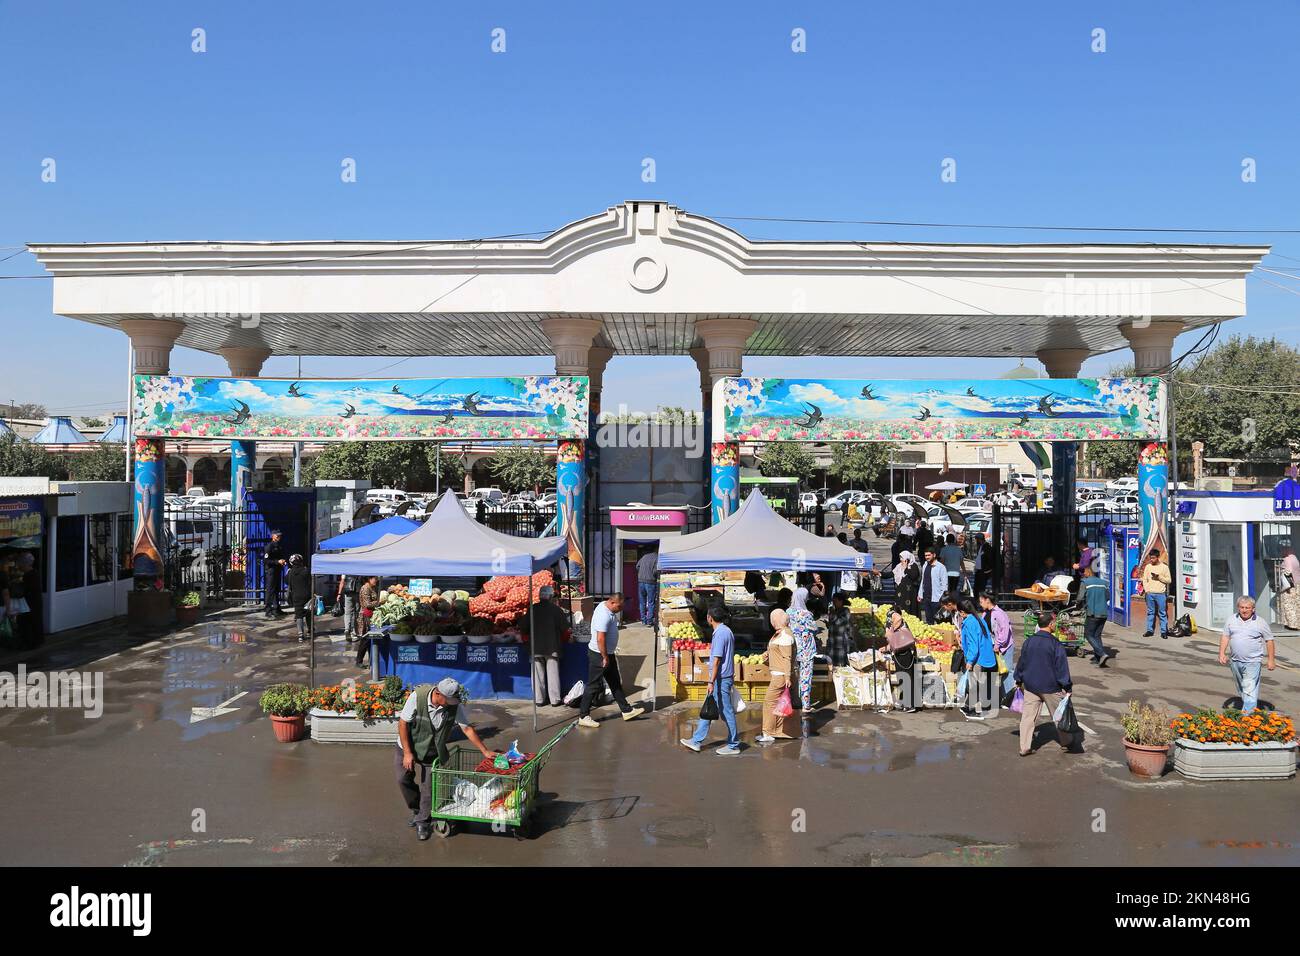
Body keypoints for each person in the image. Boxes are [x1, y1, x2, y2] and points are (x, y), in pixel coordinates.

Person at [396, 677, 498, 840]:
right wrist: (408, 753)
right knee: (403, 780)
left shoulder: (453, 706)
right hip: (408, 746)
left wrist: (484, 751)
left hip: (432, 749)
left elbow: (467, 729)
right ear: (438, 694)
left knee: (428, 787)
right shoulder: (418, 697)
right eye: (450, 700)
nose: (452, 703)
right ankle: (417, 809)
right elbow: (402, 724)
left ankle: (423, 820)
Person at [680, 606, 741, 755]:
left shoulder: (720, 634)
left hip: (721, 678)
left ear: (710, 618)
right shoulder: (726, 631)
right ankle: (696, 740)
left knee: (726, 711)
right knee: (709, 708)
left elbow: (716, 661)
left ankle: (733, 744)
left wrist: (710, 682)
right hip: (722, 677)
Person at [1012, 609, 1073, 756]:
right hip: (1051, 687)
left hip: (1031, 685)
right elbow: (1061, 667)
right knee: (1059, 716)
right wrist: (1067, 686)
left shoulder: (1029, 641)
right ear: (1050, 624)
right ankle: (1066, 742)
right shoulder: (1055, 643)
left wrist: (1018, 678)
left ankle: (1025, 747)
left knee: (1027, 717)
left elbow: (1022, 662)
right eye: (1054, 623)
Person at [578, 594, 645, 727]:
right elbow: (600, 638)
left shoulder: (606, 606)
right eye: (619, 607)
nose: (620, 609)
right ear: (612, 602)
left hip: (607, 653)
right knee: (593, 685)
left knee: (614, 682)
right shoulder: (604, 615)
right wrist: (604, 657)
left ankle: (627, 710)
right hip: (599, 654)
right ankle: (583, 716)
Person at [1218, 596, 1275, 714]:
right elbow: (1225, 636)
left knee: (1249, 689)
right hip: (1235, 661)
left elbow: (1269, 640)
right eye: (1242, 607)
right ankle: (1250, 710)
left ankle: (1247, 719)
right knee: (1242, 689)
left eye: (1247, 608)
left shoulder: (1260, 622)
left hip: (1252, 662)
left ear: (1253, 609)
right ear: (1238, 608)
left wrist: (1271, 660)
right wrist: (1221, 653)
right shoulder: (1231, 619)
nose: (1244, 610)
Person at [758, 608, 799, 742]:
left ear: (776, 620)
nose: (771, 622)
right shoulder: (780, 634)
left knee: (769, 702)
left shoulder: (786, 635)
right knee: (780, 704)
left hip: (781, 676)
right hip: (780, 675)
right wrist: (767, 655)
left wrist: (787, 677)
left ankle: (768, 732)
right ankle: (780, 731)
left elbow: (787, 658)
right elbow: (777, 652)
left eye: (772, 619)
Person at [957, 597, 998, 719]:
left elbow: (973, 645)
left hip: (977, 659)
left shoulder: (969, 622)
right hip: (984, 656)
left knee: (974, 684)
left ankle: (972, 710)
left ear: (962, 612)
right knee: (977, 683)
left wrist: (970, 661)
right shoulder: (978, 618)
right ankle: (969, 706)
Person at [529, 586, 569, 707]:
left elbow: (523, 627)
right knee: (553, 674)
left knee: (537, 674)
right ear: (551, 596)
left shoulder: (532, 609)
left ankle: (539, 700)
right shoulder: (556, 610)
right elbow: (565, 628)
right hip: (552, 647)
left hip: (535, 647)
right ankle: (555, 700)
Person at [980, 591, 1016, 695]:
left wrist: (998, 645)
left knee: (1006, 671)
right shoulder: (985, 613)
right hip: (992, 646)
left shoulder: (999, 613)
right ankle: (994, 695)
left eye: (981, 601)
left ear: (988, 601)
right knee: (992, 670)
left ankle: (1009, 697)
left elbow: (1004, 631)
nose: (980, 604)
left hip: (1004, 647)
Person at [884, 606, 919, 712]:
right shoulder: (894, 619)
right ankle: (905, 703)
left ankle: (910, 705)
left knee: (906, 677)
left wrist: (892, 630)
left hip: (904, 652)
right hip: (902, 652)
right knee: (904, 677)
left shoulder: (891, 615)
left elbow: (898, 618)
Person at [1079, 566, 1111, 666]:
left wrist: (1078, 605)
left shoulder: (1085, 582)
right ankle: (1098, 659)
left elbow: (1080, 597)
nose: (1083, 574)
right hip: (1104, 613)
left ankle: (1102, 654)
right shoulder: (1104, 582)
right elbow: (1107, 597)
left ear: (1088, 572)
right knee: (1097, 635)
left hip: (1092, 613)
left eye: (1084, 572)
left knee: (1088, 634)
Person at [790, 606, 819, 713]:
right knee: (805, 677)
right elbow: (815, 628)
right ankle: (805, 705)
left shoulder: (788, 612)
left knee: (794, 675)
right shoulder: (807, 614)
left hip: (794, 648)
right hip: (806, 650)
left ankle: (794, 702)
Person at [1140, 549, 1172, 638]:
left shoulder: (1164, 567)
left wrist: (1159, 577)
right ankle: (1149, 630)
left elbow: (1169, 580)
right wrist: (1147, 590)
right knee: (1150, 612)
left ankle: (1164, 632)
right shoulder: (1148, 567)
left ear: (1158, 557)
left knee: (1162, 613)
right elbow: (1144, 579)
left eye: (1153, 558)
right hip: (1150, 593)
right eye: (1150, 558)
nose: (1151, 560)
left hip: (1160, 594)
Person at [285, 554, 313, 643]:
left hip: (296, 596)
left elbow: (286, 582)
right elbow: (310, 581)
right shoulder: (306, 570)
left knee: (299, 615)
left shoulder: (289, 572)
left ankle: (300, 634)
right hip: (307, 595)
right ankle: (310, 630)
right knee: (308, 612)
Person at [824, 591, 854, 666]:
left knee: (840, 664)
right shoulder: (833, 610)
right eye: (833, 601)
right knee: (830, 664)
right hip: (832, 641)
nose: (834, 603)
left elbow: (839, 622)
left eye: (835, 601)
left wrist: (832, 613)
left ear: (841, 601)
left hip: (841, 642)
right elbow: (831, 624)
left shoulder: (846, 611)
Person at [919, 548, 948, 624]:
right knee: (929, 620)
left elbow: (944, 585)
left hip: (937, 598)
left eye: (929, 555)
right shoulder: (925, 565)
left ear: (934, 555)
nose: (927, 557)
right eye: (925, 555)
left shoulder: (941, 567)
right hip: (926, 598)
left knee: (939, 620)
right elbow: (923, 580)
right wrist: (920, 594)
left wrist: (942, 599)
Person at [356, 575, 380, 668]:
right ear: (369, 579)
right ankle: (359, 661)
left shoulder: (373, 587)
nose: (376, 581)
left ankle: (371, 661)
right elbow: (367, 604)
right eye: (375, 579)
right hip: (365, 616)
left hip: (372, 616)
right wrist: (379, 602)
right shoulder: (365, 588)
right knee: (365, 639)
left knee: (370, 638)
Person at [263, 530, 287, 617]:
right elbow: (266, 560)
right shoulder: (269, 546)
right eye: (277, 536)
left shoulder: (279, 545)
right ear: (273, 536)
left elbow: (281, 556)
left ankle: (277, 608)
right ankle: (268, 610)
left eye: (280, 536)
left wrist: (283, 561)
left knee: (277, 589)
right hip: (271, 571)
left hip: (277, 570)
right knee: (270, 590)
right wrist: (277, 561)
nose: (279, 538)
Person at [635, 546, 659, 629]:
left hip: (641, 581)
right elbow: (655, 571)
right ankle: (649, 621)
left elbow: (637, 566)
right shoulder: (657, 557)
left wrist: (641, 573)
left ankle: (643, 620)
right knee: (651, 602)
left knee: (642, 602)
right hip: (651, 582)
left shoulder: (644, 557)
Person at [1277, 547, 1300, 631]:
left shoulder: (1287, 559)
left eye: (1282, 550)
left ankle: (1292, 625)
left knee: (1288, 605)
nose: (1281, 552)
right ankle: (1297, 624)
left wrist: (1281, 570)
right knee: (1296, 605)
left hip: (1289, 587)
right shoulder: (1294, 558)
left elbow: (1288, 571)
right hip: (1297, 585)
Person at [894, 551, 920, 616]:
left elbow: (914, 576)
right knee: (900, 609)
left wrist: (906, 568)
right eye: (900, 558)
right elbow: (891, 574)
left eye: (902, 558)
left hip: (910, 594)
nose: (901, 560)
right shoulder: (898, 566)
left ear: (907, 558)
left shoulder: (913, 566)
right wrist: (879, 573)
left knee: (909, 610)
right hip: (900, 594)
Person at [336, 573, 360, 641]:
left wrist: (339, 594)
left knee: (348, 612)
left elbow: (342, 582)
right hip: (357, 592)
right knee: (356, 612)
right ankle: (354, 632)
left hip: (348, 592)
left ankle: (347, 629)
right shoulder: (359, 567)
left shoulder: (346, 568)